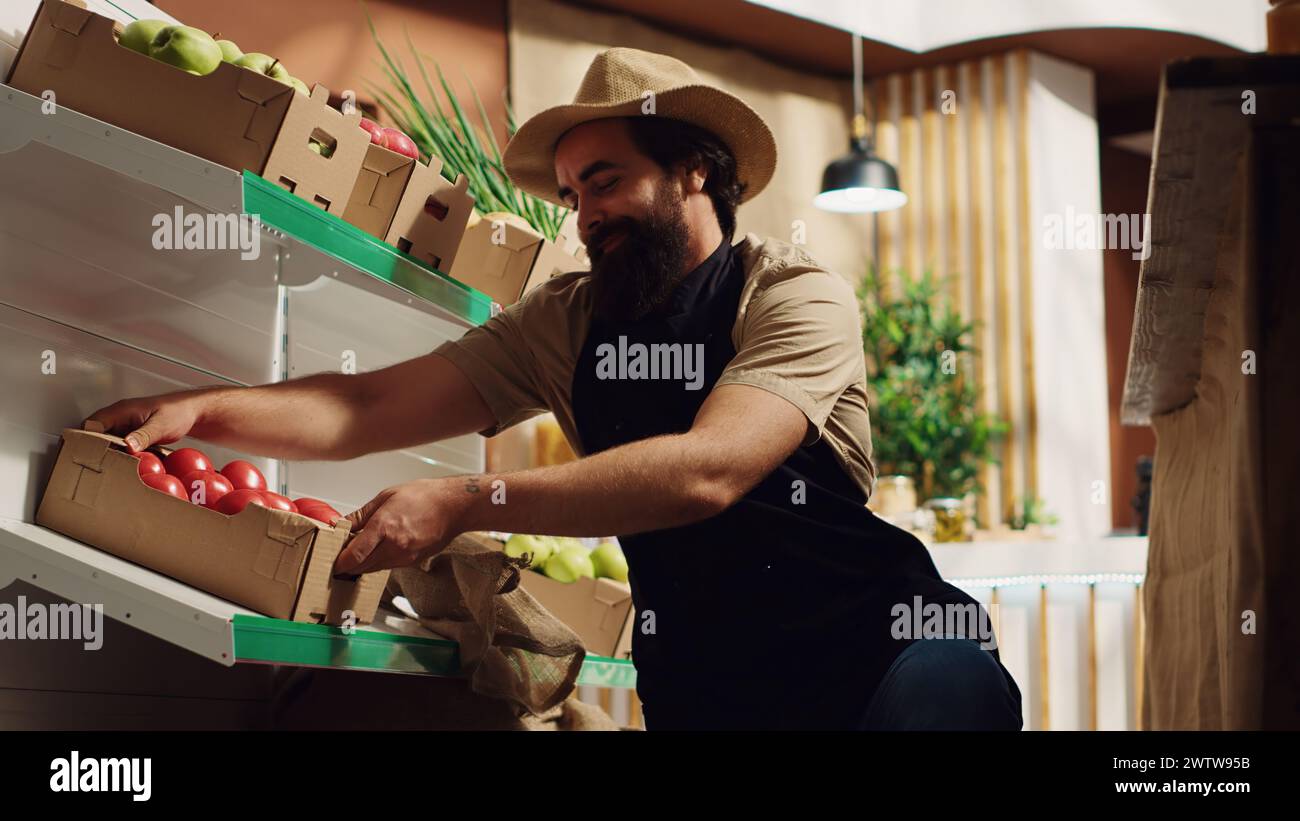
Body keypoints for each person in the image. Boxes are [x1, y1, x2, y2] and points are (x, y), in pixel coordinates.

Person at [88, 47, 1022, 731]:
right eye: (573, 195)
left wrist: (464, 498)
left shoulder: (790, 293)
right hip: (712, 685)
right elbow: (365, 406)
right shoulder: (566, 323)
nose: (585, 218)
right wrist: (204, 407)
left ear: (696, 169)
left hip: (892, 659)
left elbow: (710, 469)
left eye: (606, 182)